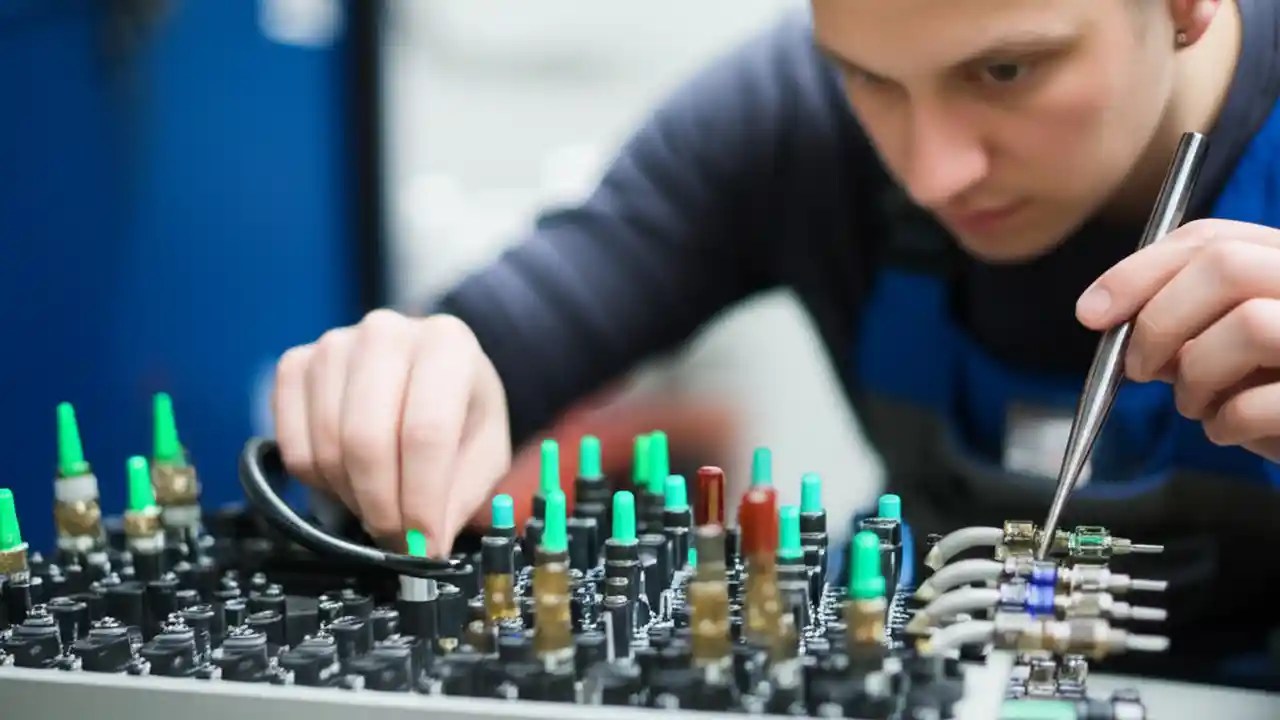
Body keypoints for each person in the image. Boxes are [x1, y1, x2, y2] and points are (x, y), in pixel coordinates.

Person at [271, 0, 1280, 688]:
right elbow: (524, 323)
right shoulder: (784, 118)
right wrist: (410, 385)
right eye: (864, 77)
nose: (931, 171)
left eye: (1004, 70)